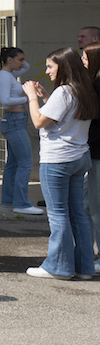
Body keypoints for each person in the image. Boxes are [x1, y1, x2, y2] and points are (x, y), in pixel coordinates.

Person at [23, 47, 98, 279]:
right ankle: (84, 267)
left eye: (50, 67)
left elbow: (38, 121)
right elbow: (66, 117)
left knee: (58, 214)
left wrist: (32, 98)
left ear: (63, 67)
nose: (46, 71)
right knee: (78, 213)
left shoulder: (64, 92)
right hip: (79, 157)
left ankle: (59, 267)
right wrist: (46, 97)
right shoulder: (84, 90)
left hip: (57, 160)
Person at [0, 47, 41, 214]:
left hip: (15, 121)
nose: (23, 63)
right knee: (25, 163)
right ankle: (21, 203)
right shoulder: (5, 77)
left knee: (13, 163)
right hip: (14, 122)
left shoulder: (9, 74)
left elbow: (26, 66)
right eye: (19, 59)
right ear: (9, 60)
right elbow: (6, 101)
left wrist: (15, 57)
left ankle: (8, 200)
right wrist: (30, 97)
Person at [83, 43, 100, 270]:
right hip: (93, 152)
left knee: (94, 206)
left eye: (86, 58)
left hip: (95, 153)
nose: (82, 62)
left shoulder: (96, 86)